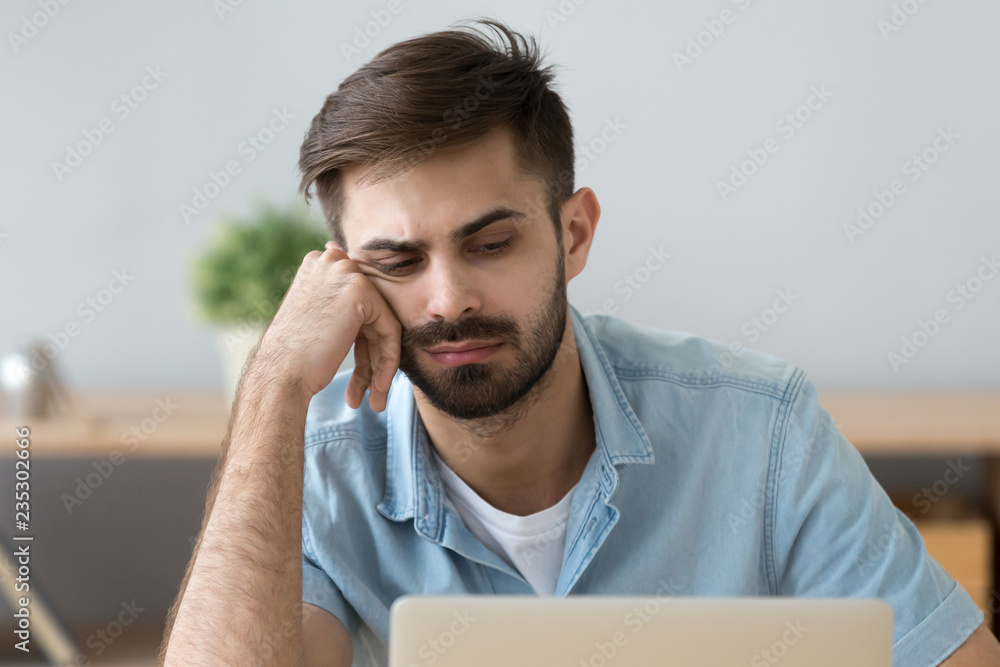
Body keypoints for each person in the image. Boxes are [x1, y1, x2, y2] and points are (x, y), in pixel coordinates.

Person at [158, 17, 1000, 667]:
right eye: (400, 261)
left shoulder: (760, 431)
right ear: (346, 278)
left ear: (575, 233)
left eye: (490, 243)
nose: (449, 299)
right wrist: (273, 380)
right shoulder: (317, 471)